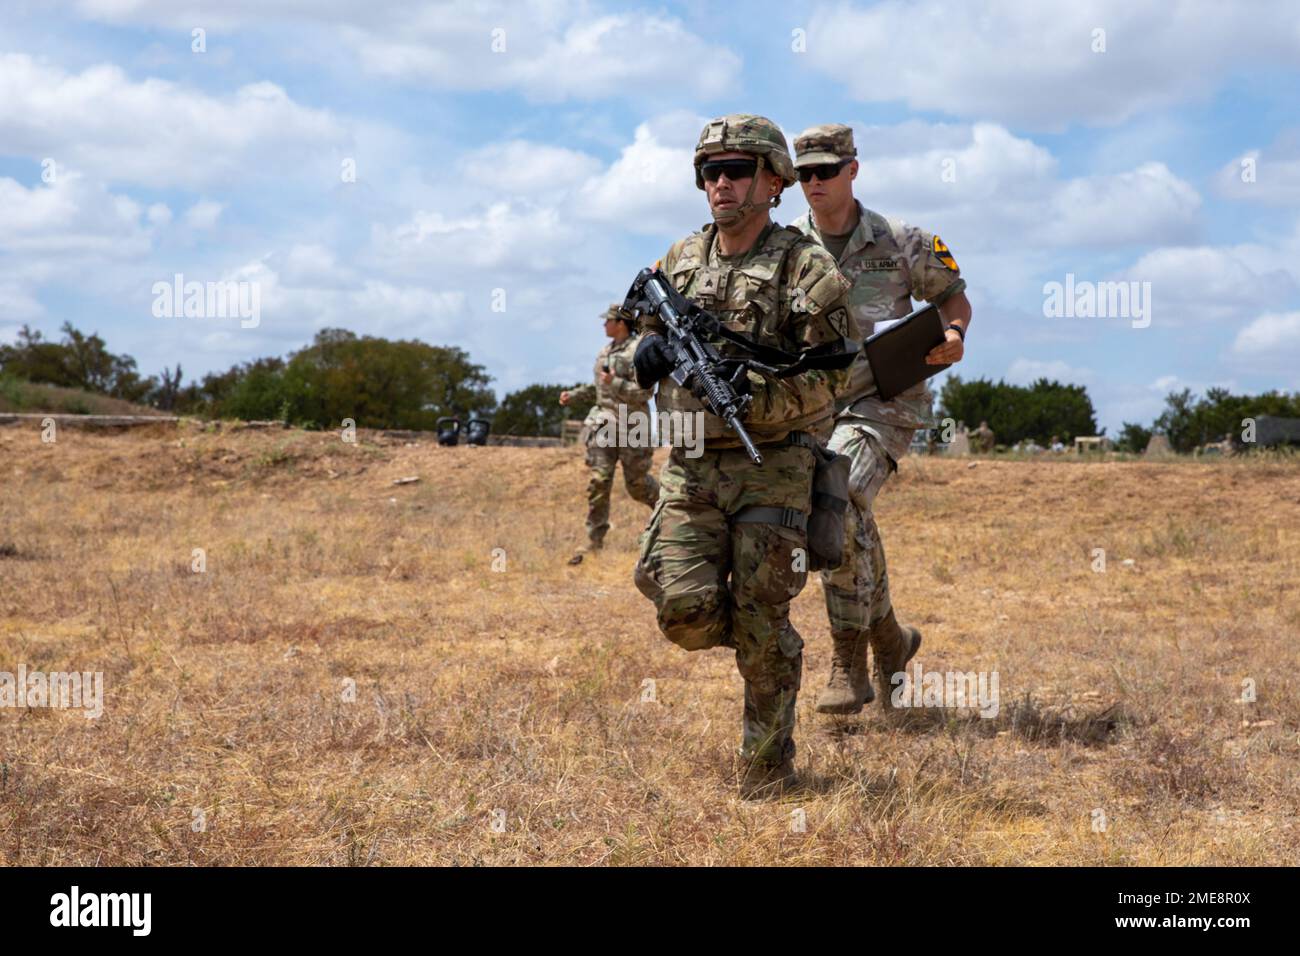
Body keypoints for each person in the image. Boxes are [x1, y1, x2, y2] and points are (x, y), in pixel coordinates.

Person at [631, 114, 854, 798]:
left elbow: (836, 374)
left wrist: (757, 395)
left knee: (762, 616)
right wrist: (643, 354)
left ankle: (766, 766)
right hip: (693, 463)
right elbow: (637, 336)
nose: (720, 183)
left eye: (735, 169)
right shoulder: (678, 260)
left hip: (774, 465)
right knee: (681, 608)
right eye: (709, 172)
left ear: (774, 181)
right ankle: (768, 650)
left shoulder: (803, 264)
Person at [790, 123, 973, 713]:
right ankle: (891, 640)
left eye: (825, 171)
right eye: (803, 174)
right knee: (844, 519)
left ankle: (848, 661)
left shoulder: (901, 241)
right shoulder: (784, 247)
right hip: (813, 405)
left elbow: (954, 295)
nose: (813, 183)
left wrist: (954, 332)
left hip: (884, 402)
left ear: (852, 171)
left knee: (838, 488)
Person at [560, 305, 658, 563]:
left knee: (637, 486)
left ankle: (668, 516)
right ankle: (594, 541)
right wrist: (574, 395)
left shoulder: (638, 350)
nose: (604, 325)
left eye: (608, 321)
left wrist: (614, 382)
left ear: (621, 323)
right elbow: (599, 388)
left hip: (632, 425)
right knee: (599, 481)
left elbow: (645, 392)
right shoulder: (605, 351)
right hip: (604, 424)